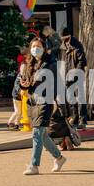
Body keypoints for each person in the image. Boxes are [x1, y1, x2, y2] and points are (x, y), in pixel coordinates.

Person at [21, 36, 66, 175]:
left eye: (38, 46)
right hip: (32, 102)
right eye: (33, 46)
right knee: (43, 136)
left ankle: (34, 166)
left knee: (37, 133)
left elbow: (59, 83)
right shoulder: (29, 64)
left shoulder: (51, 63)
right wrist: (24, 86)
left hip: (45, 102)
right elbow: (23, 82)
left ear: (44, 48)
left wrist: (60, 102)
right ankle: (59, 157)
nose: (35, 49)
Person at [59, 26, 88, 127]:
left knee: (80, 98)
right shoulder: (62, 46)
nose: (63, 40)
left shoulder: (77, 45)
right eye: (62, 39)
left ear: (69, 36)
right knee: (70, 98)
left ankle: (83, 120)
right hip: (66, 75)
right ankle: (75, 117)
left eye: (64, 38)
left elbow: (82, 61)